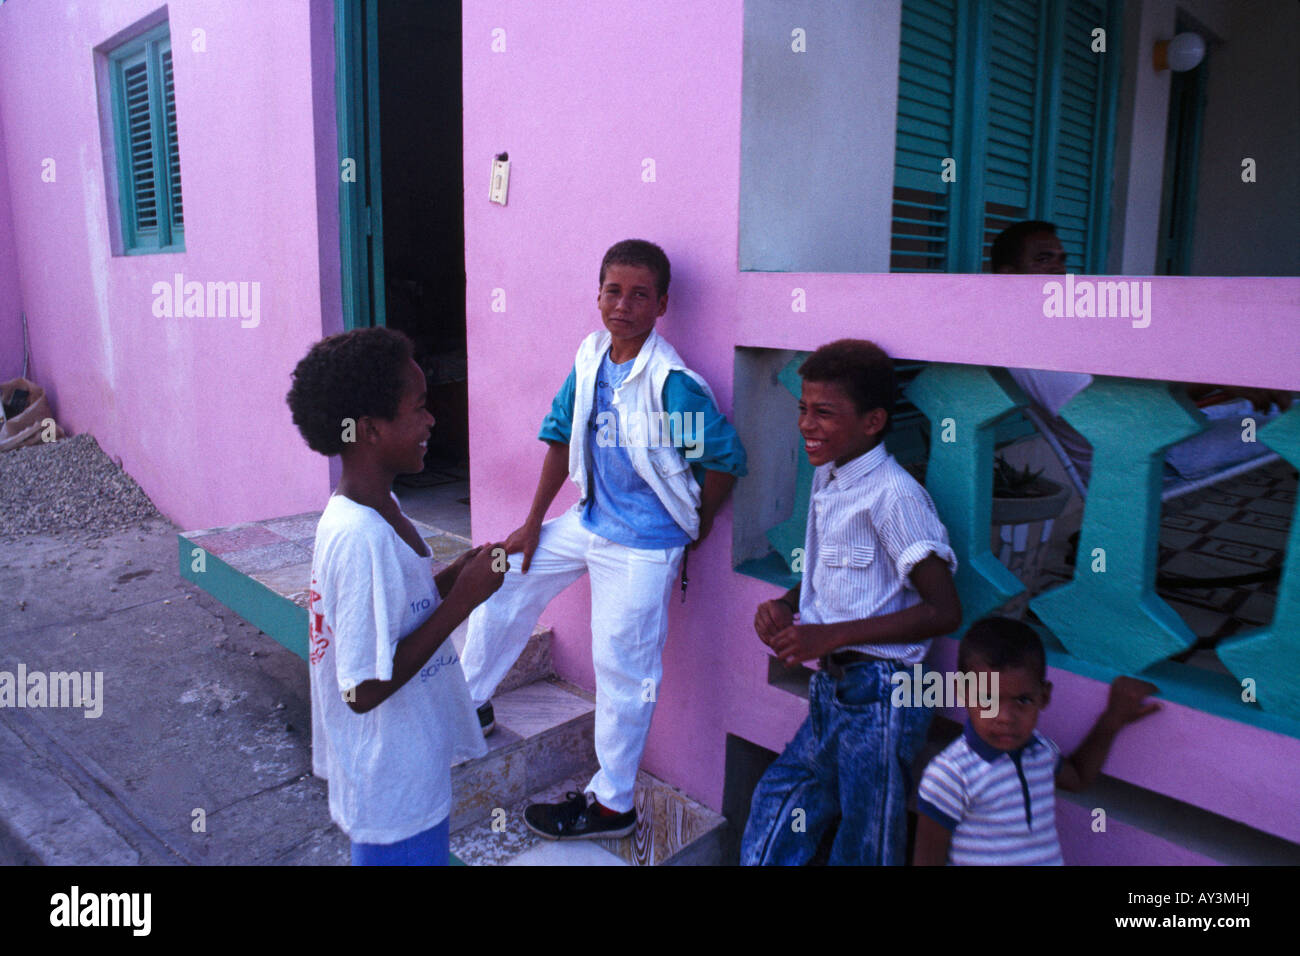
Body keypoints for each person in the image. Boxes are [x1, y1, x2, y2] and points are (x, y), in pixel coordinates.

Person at [461, 239, 748, 840]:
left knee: (622, 665)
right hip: (588, 521)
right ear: (597, 296)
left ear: (662, 304)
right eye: (613, 291)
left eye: (640, 294)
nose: (624, 304)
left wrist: (695, 529)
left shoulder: (673, 385)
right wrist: (534, 521)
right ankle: (471, 701)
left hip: (645, 544)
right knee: (506, 577)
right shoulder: (592, 358)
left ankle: (613, 804)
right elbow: (559, 433)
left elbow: (724, 460)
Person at [286, 327, 506, 866]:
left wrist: (455, 576)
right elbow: (361, 689)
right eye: (419, 407)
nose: (432, 419)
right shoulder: (359, 536)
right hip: (390, 788)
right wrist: (462, 605)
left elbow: (394, 610)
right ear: (369, 430)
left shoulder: (378, 508)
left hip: (410, 763)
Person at [740, 339, 962, 866]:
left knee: (865, 843)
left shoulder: (894, 496)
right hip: (833, 690)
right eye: (802, 409)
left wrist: (830, 635)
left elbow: (944, 610)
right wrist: (789, 602)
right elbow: (831, 569)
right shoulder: (829, 476)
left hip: (884, 697)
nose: (807, 425)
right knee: (779, 801)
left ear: (872, 421)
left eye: (824, 413)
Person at [993, 221, 1292, 489]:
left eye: (1061, 260)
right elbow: (1112, 415)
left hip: (1163, 434)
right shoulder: (1029, 347)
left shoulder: (1055, 329)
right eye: (1043, 260)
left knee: (1277, 407)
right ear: (1008, 275)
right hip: (1146, 457)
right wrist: (1219, 380)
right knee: (1290, 424)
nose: (1059, 270)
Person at [914, 615, 1160, 865]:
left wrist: (1112, 718)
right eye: (987, 699)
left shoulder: (1041, 752)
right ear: (963, 693)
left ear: (1044, 697)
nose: (1006, 717)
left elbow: (1078, 777)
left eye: (1023, 700)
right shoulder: (950, 775)